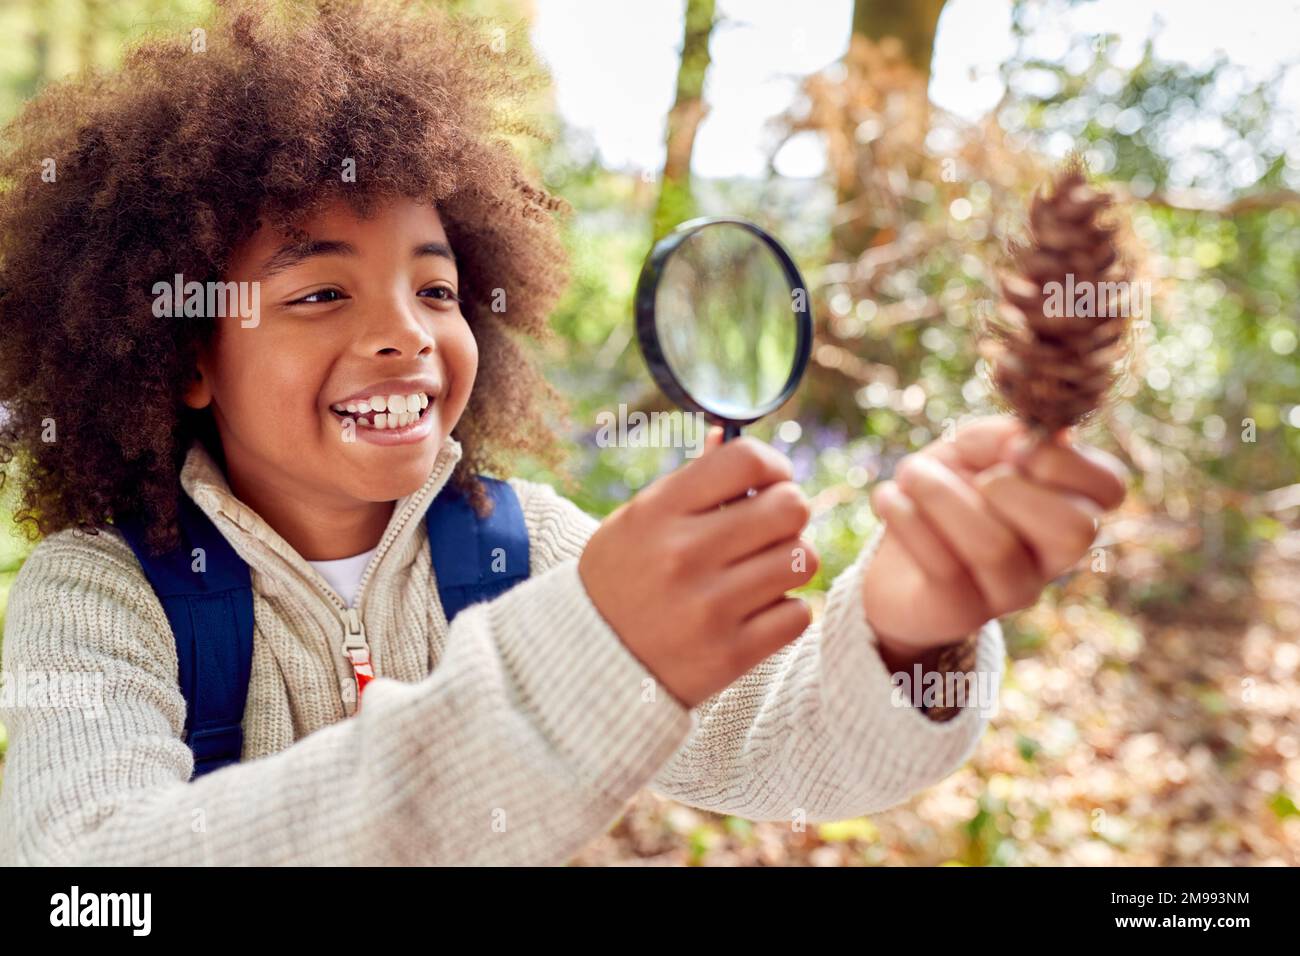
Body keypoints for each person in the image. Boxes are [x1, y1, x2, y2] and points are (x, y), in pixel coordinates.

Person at [0, 0, 1124, 865]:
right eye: (317, 295)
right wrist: (579, 663)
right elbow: (92, 880)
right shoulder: (98, 599)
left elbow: (790, 740)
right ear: (187, 352)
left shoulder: (516, 544)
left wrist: (908, 625)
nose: (405, 335)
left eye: (436, 291)